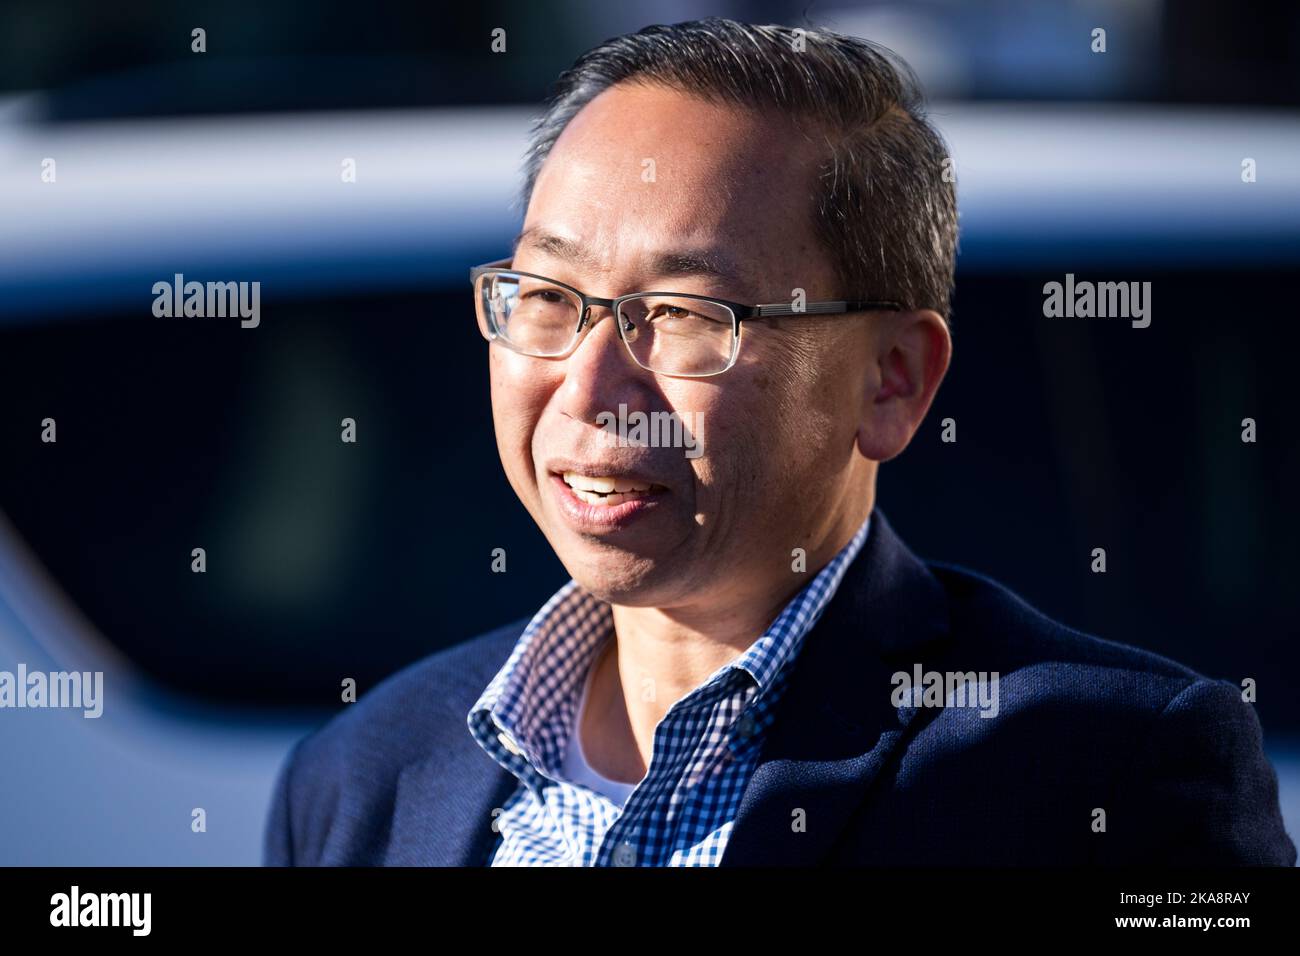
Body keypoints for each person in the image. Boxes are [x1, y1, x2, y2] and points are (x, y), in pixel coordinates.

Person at [264, 18, 1295, 866]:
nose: (590, 388)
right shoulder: (363, 775)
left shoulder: (1101, 772)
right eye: (545, 295)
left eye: (684, 313)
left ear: (892, 379)